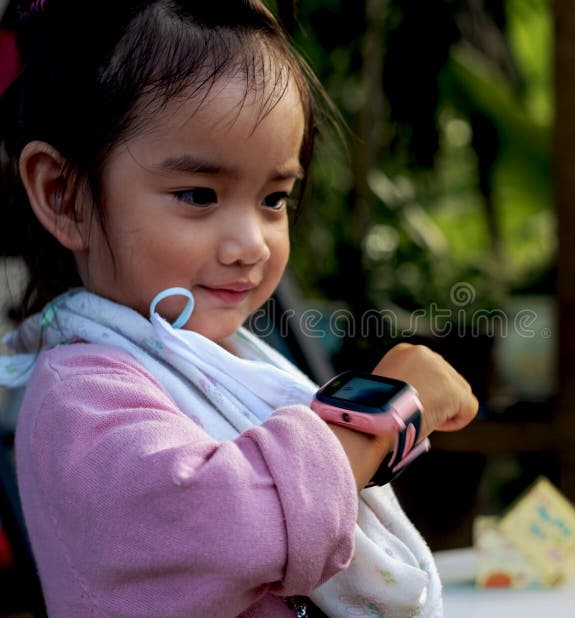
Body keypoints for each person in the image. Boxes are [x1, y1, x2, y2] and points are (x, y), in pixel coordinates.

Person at [0, 1, 479, 616]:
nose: (251, 244)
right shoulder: (82, 397)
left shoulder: (219, 363)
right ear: (63, 194)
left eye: (274, 198)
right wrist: (388, 410)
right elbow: (234, 523)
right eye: (199, 195)